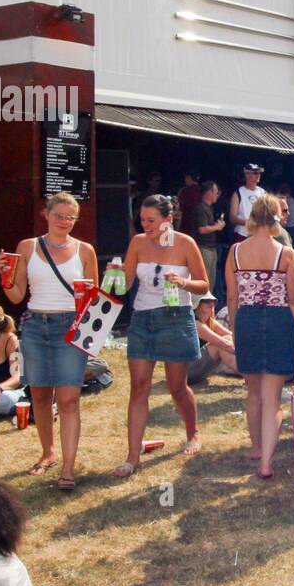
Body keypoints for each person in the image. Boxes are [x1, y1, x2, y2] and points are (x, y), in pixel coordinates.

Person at [0, 191, 98, 490]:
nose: (65, 222)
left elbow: (93, 298)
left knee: (68, 399)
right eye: (59, 215)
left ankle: (68, 468)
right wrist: (4, 275)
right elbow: (16, 295)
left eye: (71, 217)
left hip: (70, 326)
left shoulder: (85, 250)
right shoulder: (27, 247)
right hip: (35, 324)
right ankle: (48, 453)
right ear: (46, 214)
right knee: (40, 396)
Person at [120, 194, 209, 476]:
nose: (145, 225)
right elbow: (124, 284)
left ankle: (193, 432)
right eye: (142, 220)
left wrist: (183, 281)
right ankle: (133, 456)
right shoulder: (137, 242)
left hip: (176, 317)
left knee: (176, 387)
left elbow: (203, 283)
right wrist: (114, 275)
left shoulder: (185, 243)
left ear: (167, 219)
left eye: (151, 220)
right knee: (139, 386)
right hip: (143, 318)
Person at [226, 194, 294, 480]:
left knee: (252, 392)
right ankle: (266, 464)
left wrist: (237, 328)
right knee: (272, 397)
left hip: (247, 319)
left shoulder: (235, 252)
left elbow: (232, 296)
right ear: (276, 218)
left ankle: (257, 448)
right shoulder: (285, 253)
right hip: (278, 321)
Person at [188, 293, 238, 385]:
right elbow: (224, 344)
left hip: (196, 370)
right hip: (185, 372)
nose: (212, 304)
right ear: (196, 304)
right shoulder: (194, 323)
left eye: (214, 301)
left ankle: (251, 374)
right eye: (206, 301)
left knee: (228, 339)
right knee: (219, 345)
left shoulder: (210, 321)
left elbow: (233, 337)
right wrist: (246, 354)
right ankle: (250, 375)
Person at [192, 180, 225, 289]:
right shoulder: (201, 208)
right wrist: (217, 227)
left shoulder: (209, 207)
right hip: (203, 248)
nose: (217, 194)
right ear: (209, 192)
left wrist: (216, 225)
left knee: (211, 280)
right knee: (204, 280)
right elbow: (202, 229)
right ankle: (200, 305)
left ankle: (206, 303)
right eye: (215, 192)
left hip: (211, 248)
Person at [227, 163, 266, 244]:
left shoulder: (263, 192)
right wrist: (249, 223)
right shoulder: (238, 193)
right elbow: (232, 217)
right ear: (247, 174)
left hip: (258, 234)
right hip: (242, 234)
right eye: (255, 173)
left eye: (259, 173)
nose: (258, 175)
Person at [176, 169, 204, 237]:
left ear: (188, 178)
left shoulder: (184, 192)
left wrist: (176, 229)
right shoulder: (203, 192)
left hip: (185, 228)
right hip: (199, 228)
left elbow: (179, 212)